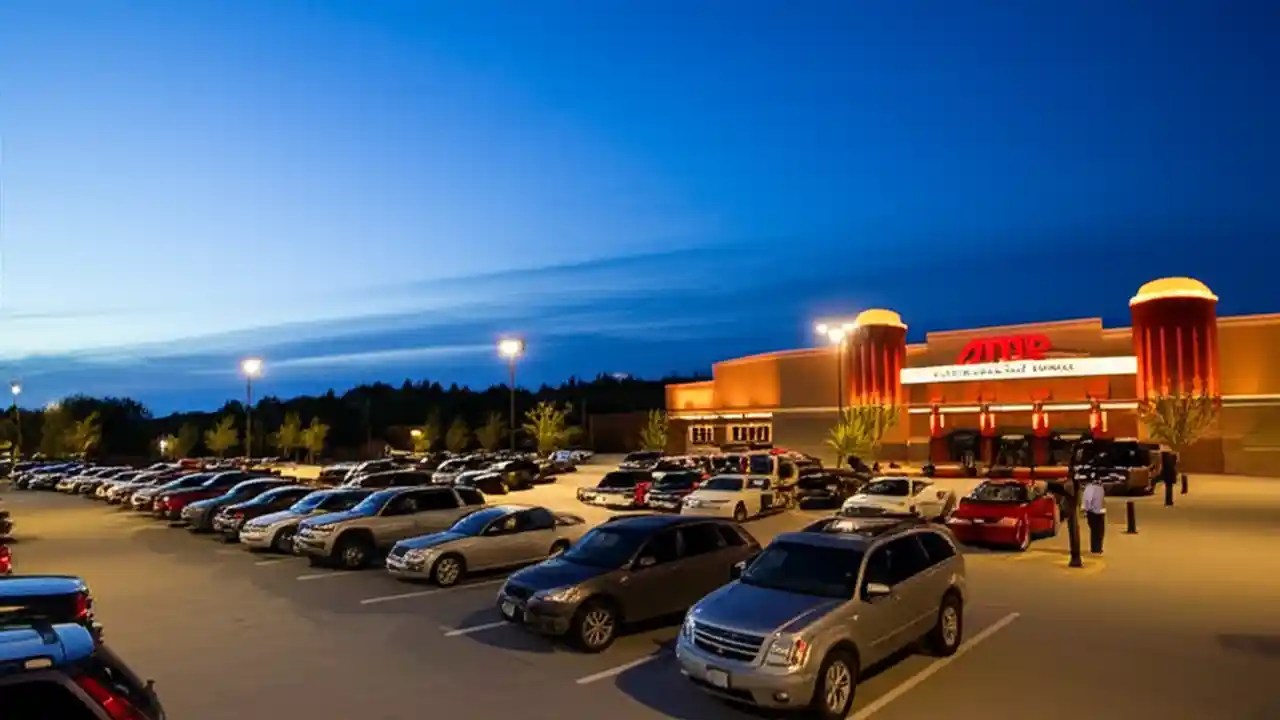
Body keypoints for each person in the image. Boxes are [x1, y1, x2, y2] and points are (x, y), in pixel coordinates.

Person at [1082, 479, 1106, 554]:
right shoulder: (1096, 489)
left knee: (1095, 531)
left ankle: (1096, 548)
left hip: (1093, 512)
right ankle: (1097, 548)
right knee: (1099, 531)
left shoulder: (1089, 489)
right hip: (1096, 512)